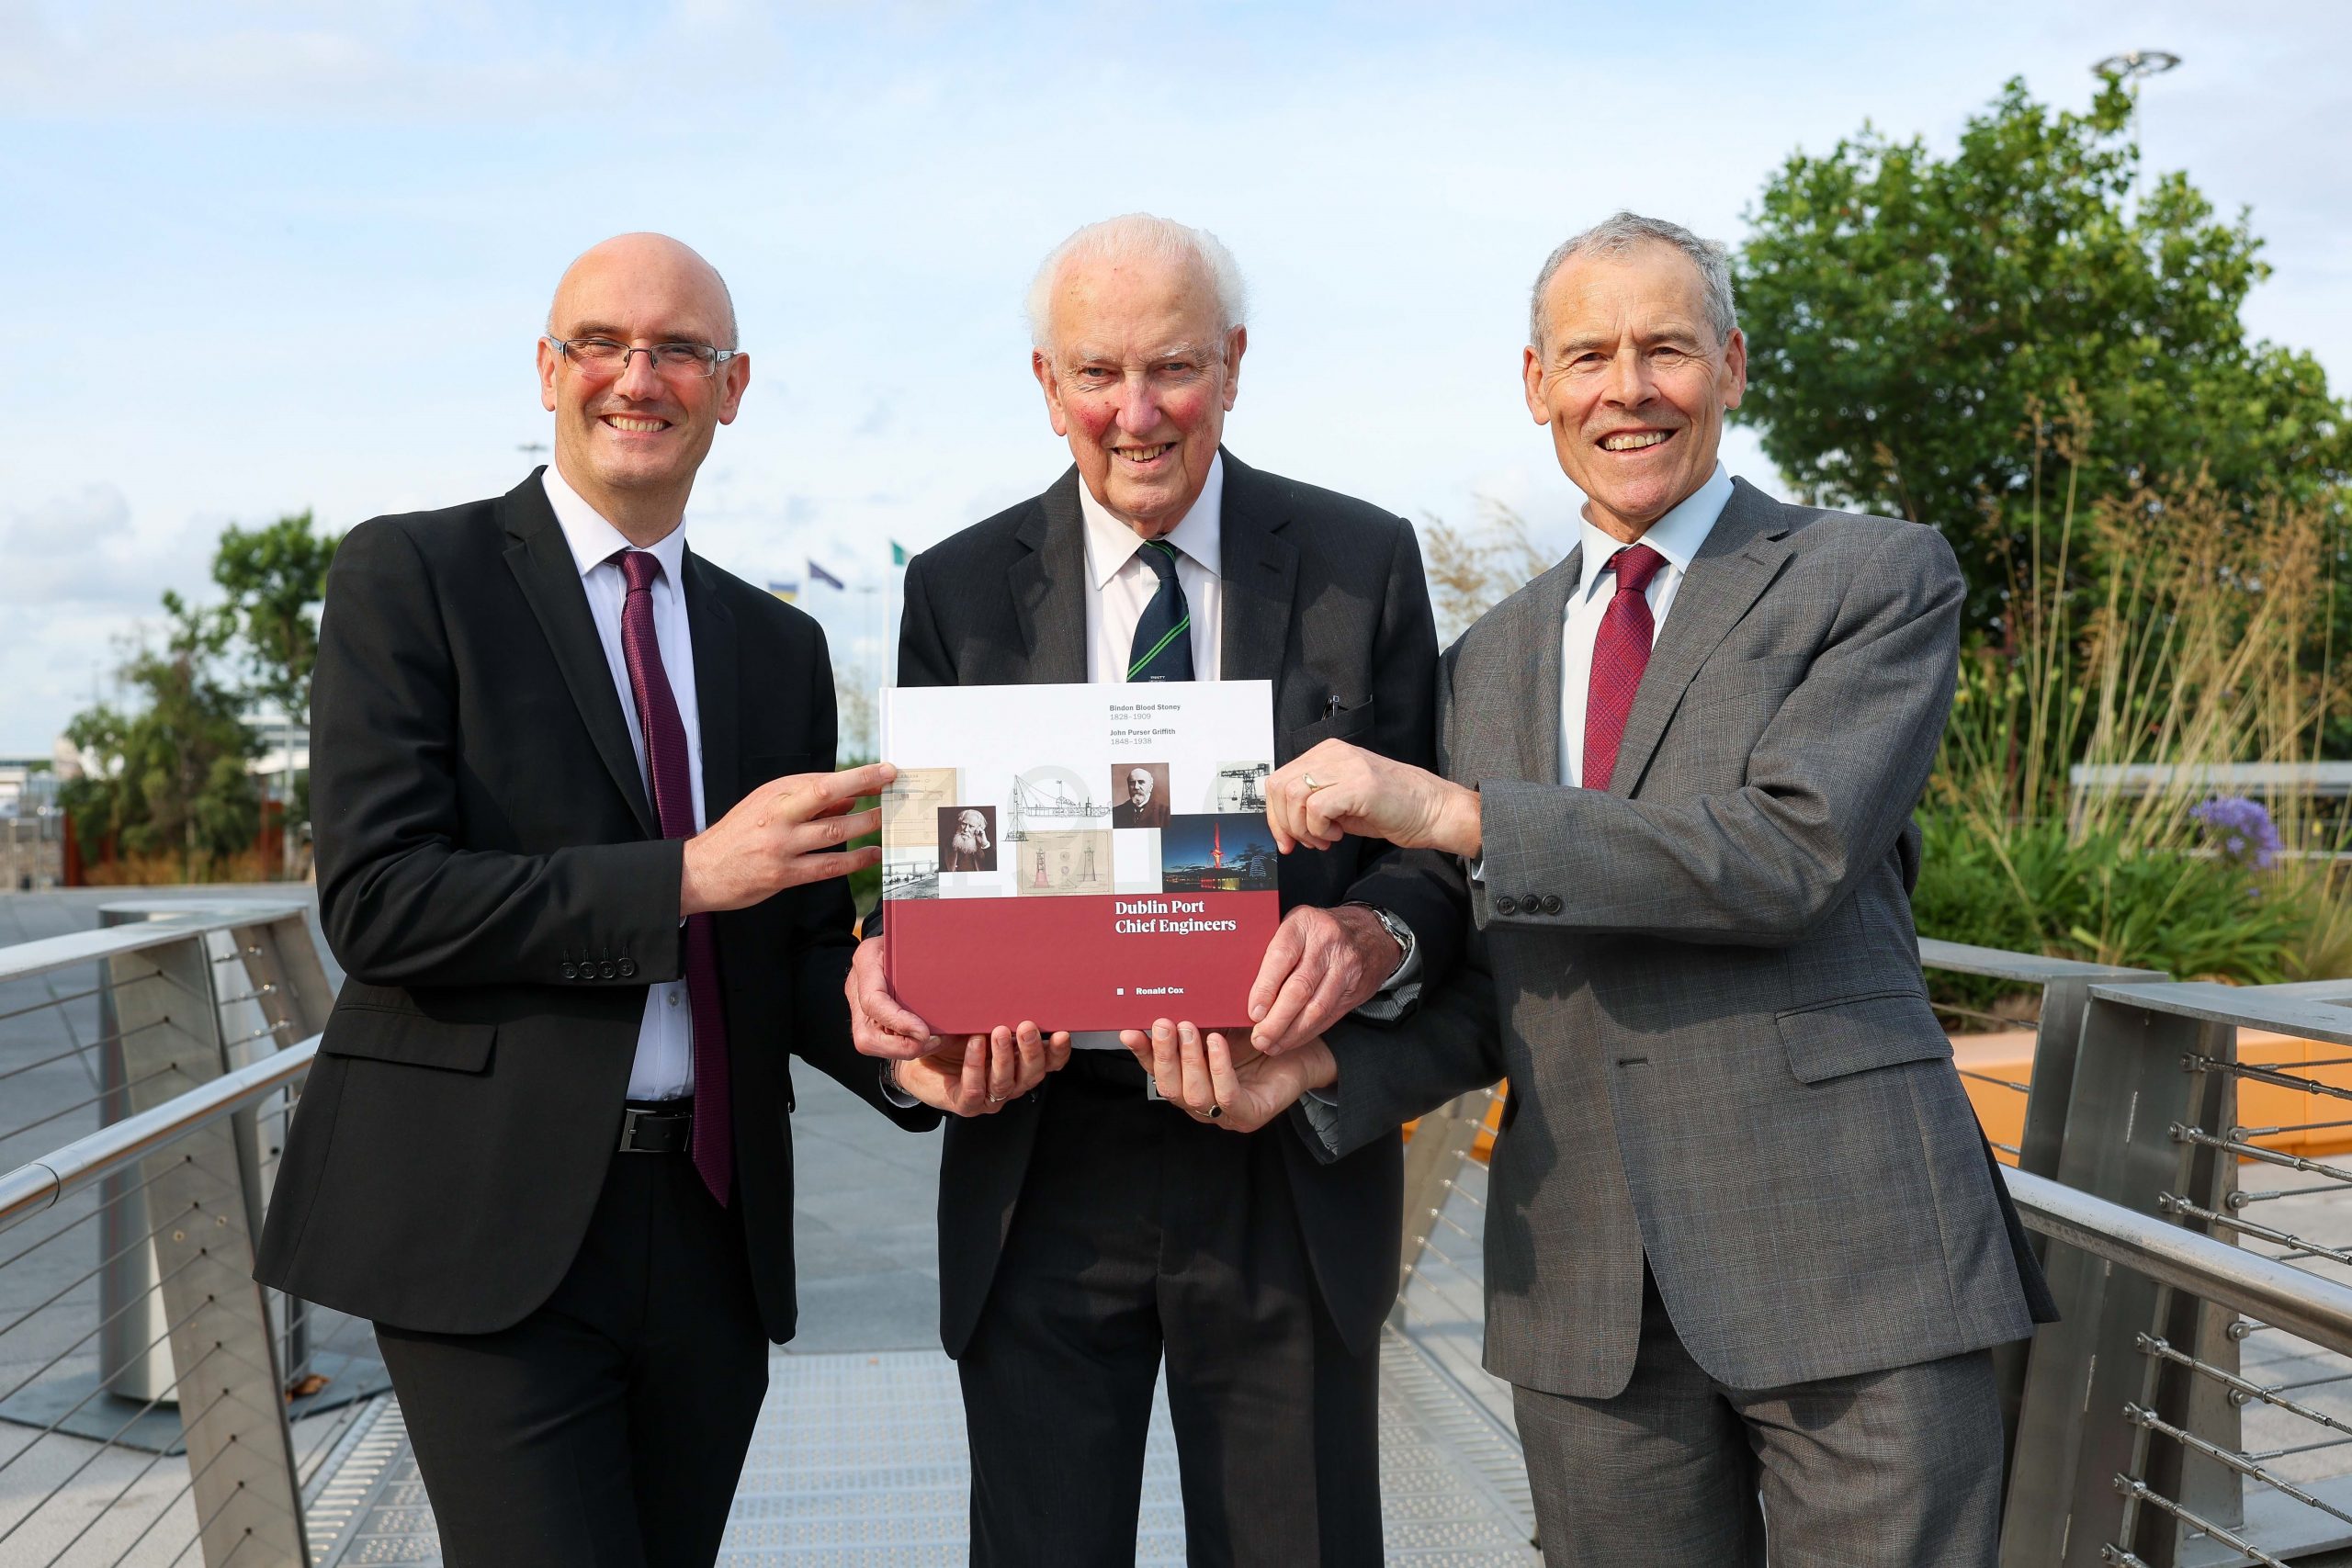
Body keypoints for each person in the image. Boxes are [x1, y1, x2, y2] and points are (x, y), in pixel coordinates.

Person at [1151, 213, 2058, 1566]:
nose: (1624, 388)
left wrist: (1453, 811)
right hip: (1585, 1296)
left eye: (1665, 349)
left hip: (1854, 1270)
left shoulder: (1872, 575)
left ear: (1734, 366)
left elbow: (1788, 851)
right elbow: (1495, 981)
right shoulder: (1487, 661)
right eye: (1587, 354)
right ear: (1536, 386)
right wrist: (1322, 1067)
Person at [254, 232, 1063, 1568]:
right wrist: (687, 874)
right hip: (488, 1230)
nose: (640, 375)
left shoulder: (777, 643)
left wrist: (916, 1050)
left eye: (680, 348)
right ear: (546, 370)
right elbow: (384, 902)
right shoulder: (410, 577)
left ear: (732, 385)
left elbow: (800, 946)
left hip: (707, 1230)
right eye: (603, 344)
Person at [845, 214, 1456, 1566]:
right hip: (1043, 1148)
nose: (1135, 411)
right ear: (1046, 384)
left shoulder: (1365, 560)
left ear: (1233, 365)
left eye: (1172, 366)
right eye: (1097, 372)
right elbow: (927, 864)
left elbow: (1433, 852)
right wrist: (901, 987)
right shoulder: (956, 589)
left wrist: (1371, 928)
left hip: (1282, 1143)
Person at [1111, 764, 1169, 828]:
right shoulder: (1116, 813)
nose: (1136, 787)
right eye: (1132, 783)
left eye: (1141, 782)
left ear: (1151, 787)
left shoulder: (1166, 813)